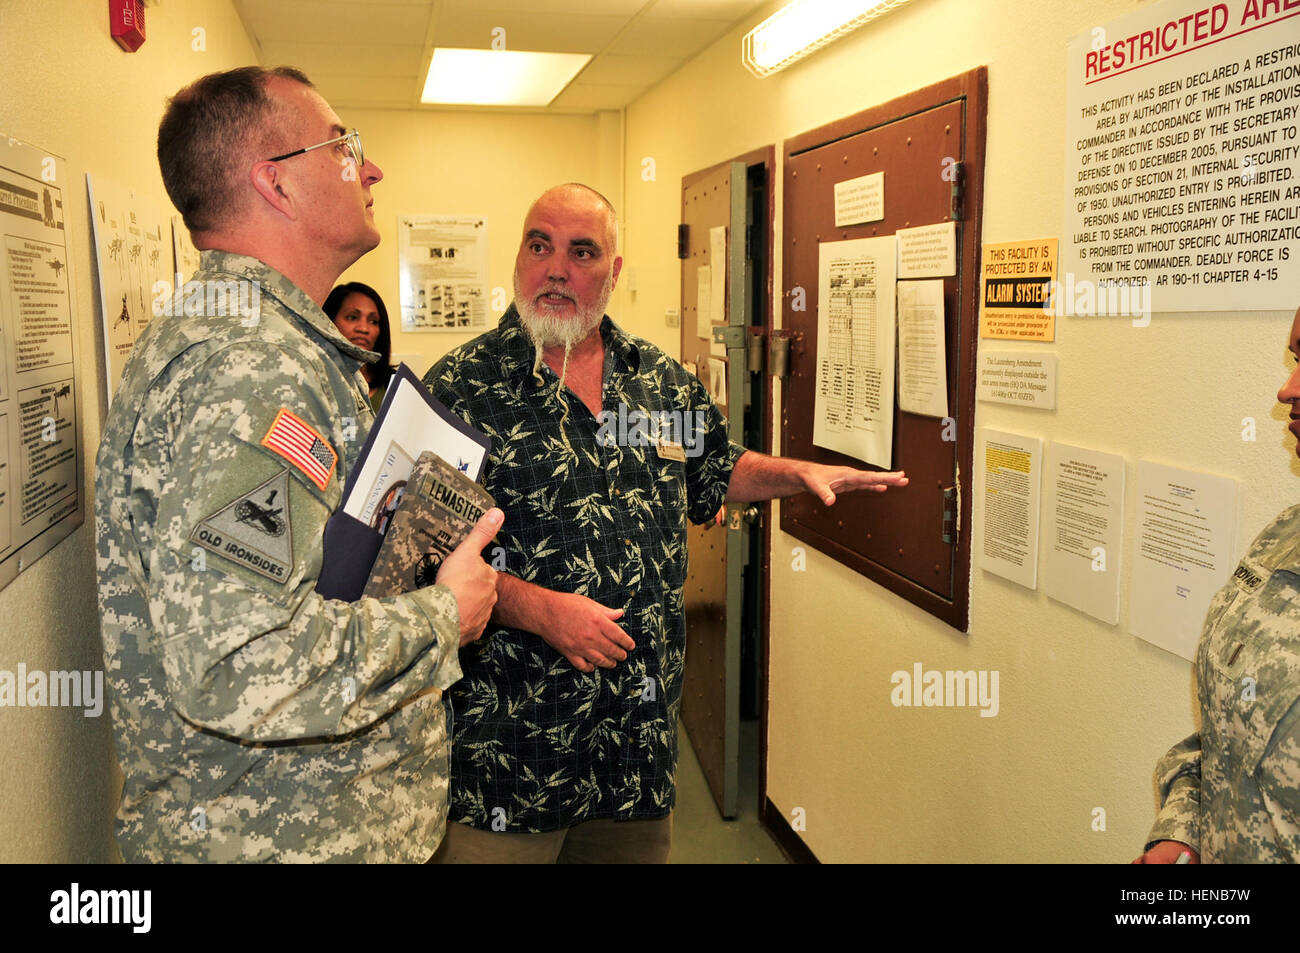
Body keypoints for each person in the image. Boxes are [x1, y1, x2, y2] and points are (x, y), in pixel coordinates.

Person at [423, 183, 907, 863]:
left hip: (635, 752)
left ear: (614, 272)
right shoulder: (458, 388)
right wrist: (539, 611)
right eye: (540, 245)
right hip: (511, 757)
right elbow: (423, 559)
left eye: (581, 251)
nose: (556, 268)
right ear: (519, 255)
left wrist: (793, 472)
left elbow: (714, 468)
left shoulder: (659, 382)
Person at [95, 66, 501, 863]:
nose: (371, 167)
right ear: (274, 183)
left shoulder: (256, 341)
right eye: (347, 146)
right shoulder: (252, 366)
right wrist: (446, 614)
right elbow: (240, 661)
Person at [1134, 304, 1300, 864]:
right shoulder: (1287, 532)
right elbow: (1231, 741)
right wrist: (1183, 827)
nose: (1286, 391)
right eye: (1296, 359)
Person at [324, 281, 394, 410]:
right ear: (330, 321)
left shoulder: (395, 386)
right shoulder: (318, 382)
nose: (363, 328)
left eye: (373, 321)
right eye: (352, 317)